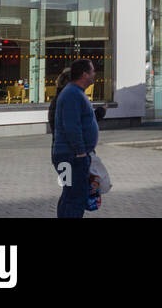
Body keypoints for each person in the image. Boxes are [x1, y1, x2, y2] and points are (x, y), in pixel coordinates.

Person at [51, 59, 98, 218]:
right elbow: (71, 125)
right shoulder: (72, 94)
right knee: (76, 197)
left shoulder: (74, 92)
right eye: (92, 71)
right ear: (84, 74)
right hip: (71, 156)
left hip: (70, 155)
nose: (94, 74)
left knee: (69, 194)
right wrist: (80, 152)